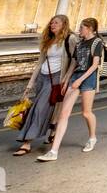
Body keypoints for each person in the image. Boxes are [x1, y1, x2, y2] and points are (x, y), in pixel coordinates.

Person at [37, 18, 105, 161]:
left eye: (82, 27)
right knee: (63, 114)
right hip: (75, 77)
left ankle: (92, 137)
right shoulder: (80, 43)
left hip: (88, 78)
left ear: (90, 28)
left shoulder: (97, 42)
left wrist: (80, 80)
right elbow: (74, 63)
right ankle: (53, 151)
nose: (79, 30)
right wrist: (67, 79)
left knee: (86, 113)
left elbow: (95, 65)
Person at [14, 14, 75, 155]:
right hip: (42, 77)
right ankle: (53, 129)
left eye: (56, 23)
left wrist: (66, 77)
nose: (52, 25)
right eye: (51, 23)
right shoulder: (48, 40)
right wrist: (30, 83)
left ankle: (26, 142)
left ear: (64, 25)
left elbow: (74, 60)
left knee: (38, 108)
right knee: (49, 108)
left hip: (56, 78)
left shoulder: (70, 39)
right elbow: (40, 62)